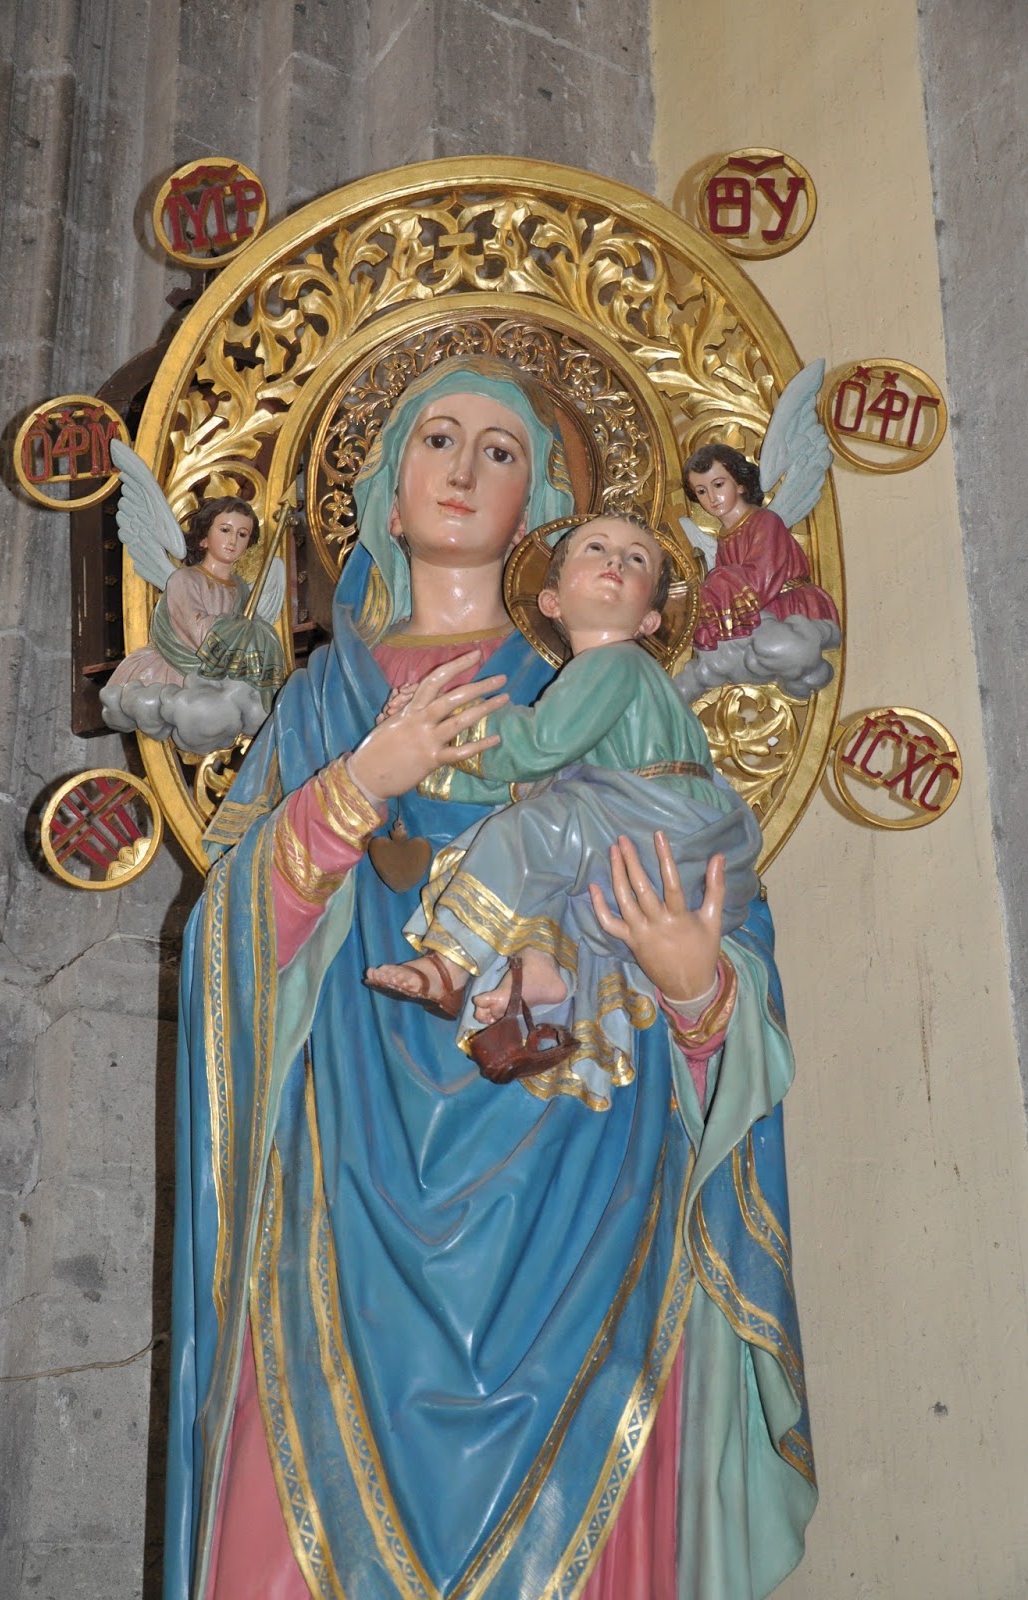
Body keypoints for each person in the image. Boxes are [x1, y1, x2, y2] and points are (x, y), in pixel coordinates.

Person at [164, 357, 816, 1600]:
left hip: (582, 1175)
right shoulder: (321, 702)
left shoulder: (603, 687)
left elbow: (722, 921)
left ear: (546, 517)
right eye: (438, 441)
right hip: (342, 1186)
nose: (466, 470)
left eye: (503, 450)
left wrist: (697, 987)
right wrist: (363, 778)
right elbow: (227, 948)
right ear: (384, 497)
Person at [365, 513, 763, 1103]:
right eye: (597, 549)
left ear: (649, 618)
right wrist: (432, 769)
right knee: (545, 848)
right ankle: (542, 972)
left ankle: (448, 966)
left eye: (637, 561)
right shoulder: (593, 685)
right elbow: (532, 777)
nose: (616, 563)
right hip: (657, 831)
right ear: (551, 600)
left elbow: (538, 745)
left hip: (661, 822)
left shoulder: (616, 663)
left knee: (524, 835)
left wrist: (448, 720)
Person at [105, 496, 283, 693]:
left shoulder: (240, 587)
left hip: (223, 677)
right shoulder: (184, 580)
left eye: (242, 534)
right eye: (225, 530)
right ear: (204, 538)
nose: (233, 540)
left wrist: (258, 633)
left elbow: (253, 629)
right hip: (176, 672)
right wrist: (241, 630)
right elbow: (197, 631)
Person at [683, 443, 840, 652]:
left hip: (791, 607)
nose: (711, 497)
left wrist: (716, 586)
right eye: (701, 491)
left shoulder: (765, 522)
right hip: (760, 612)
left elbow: (761, 577)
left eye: (718, 485)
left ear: (740, 484)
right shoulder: (725, 537)